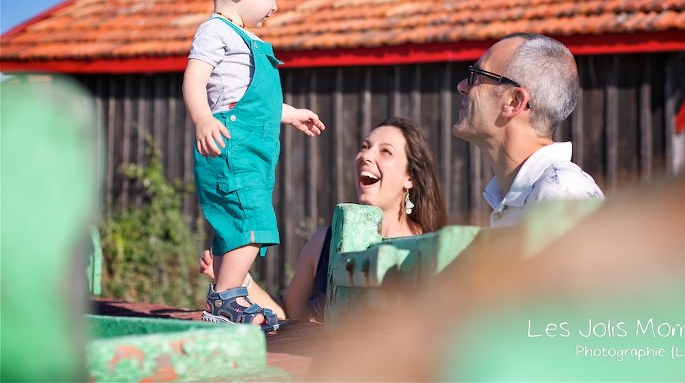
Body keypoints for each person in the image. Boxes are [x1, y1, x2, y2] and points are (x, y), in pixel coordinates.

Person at [182, 0, 325, 327]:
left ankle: (228, 296)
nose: (275, 5)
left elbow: (254, 103)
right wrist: (203, 118)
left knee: (235, 224)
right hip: (231, 145)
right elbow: (194, 80)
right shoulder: (215, 31)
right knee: (253, 220)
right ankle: (227, 296)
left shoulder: (247, 38)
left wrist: (290, 113)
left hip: (253, 150)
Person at [199, 116, 449, 322]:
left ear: (410, 178)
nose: (366, 155)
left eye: (386, 151)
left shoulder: (431, 250)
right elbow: (290, 314)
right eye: (364, 146)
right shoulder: (323, 242)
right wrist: (237, 280)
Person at [452, 33, 604, 228]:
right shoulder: (531, 193)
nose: (462, 86)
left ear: (514, 101)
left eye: (477, 76)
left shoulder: (561, 194)